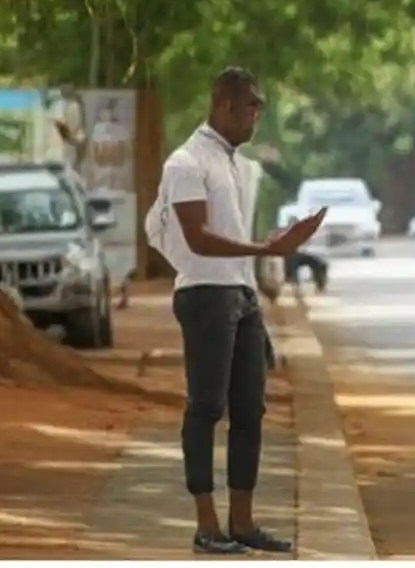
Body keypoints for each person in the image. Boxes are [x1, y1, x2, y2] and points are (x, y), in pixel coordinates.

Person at [144, 66, 326, 554]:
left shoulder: (234, 163)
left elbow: (232, 237)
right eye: (251, 106)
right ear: (224, 105)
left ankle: (241, 522)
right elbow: (198, 238)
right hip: (205, 294)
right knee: (206, 407)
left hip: (240, 294)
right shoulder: (186, 163)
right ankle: (207, 525)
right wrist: (266, 250)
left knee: (251, 409)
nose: (256, 116)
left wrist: (267, 255)